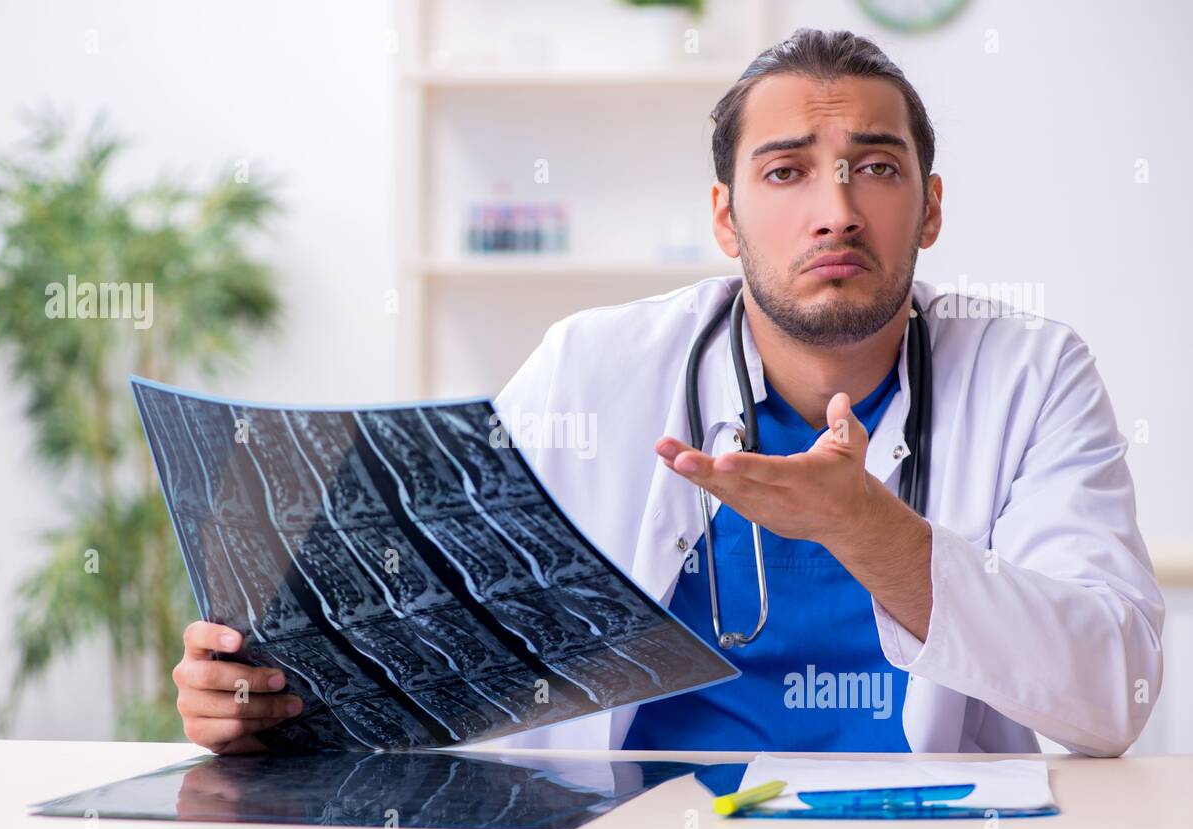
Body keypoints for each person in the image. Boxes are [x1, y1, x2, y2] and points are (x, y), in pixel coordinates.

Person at [174, 28, 1163, 757]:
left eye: (874, 166)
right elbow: (437, 638)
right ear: (725, 221)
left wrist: (874, 532)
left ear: (930, 207)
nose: (836, 209)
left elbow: (1110, 692)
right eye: (786, 173)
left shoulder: (1031, 375)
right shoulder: (593, 369)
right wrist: (265, 703)